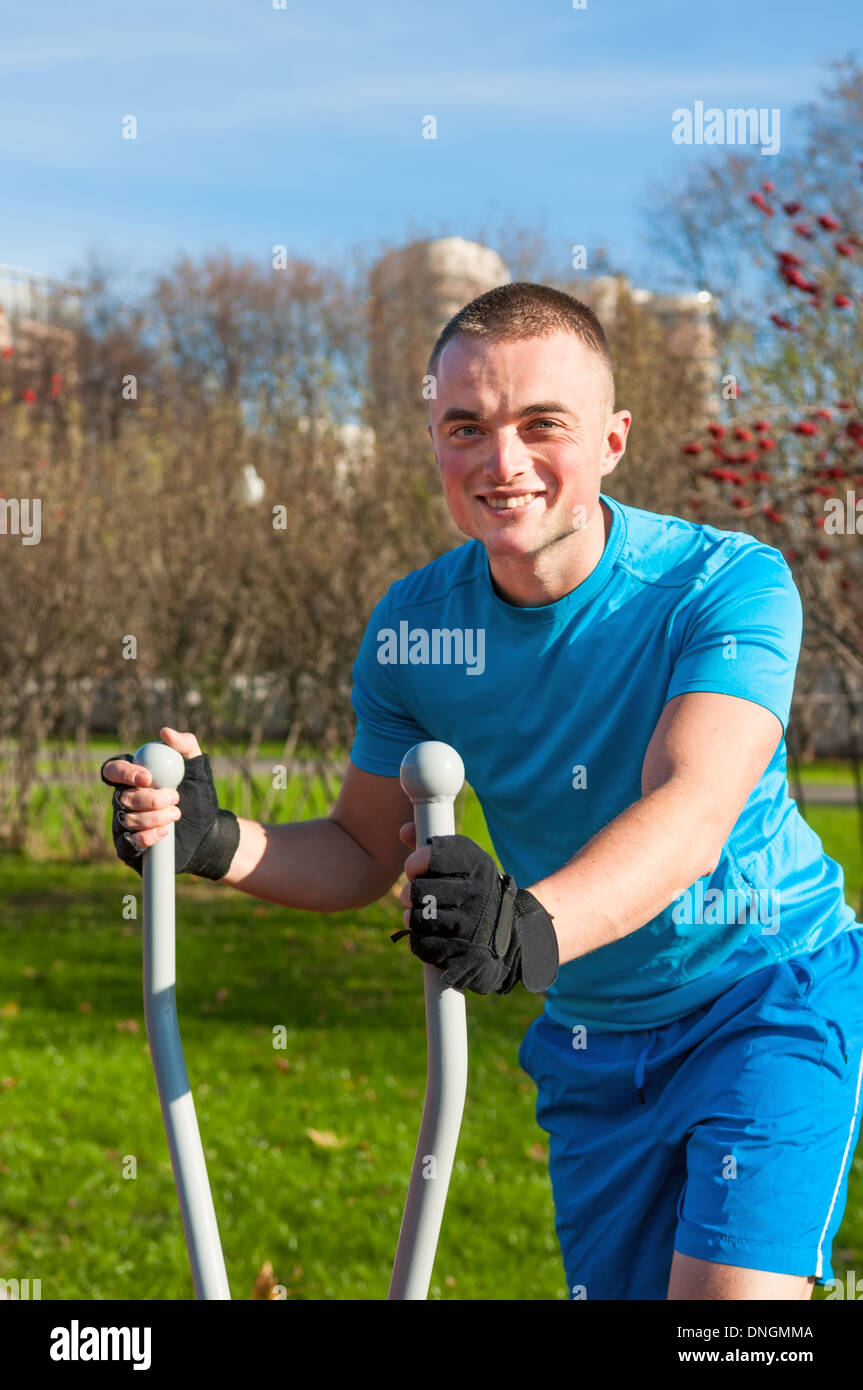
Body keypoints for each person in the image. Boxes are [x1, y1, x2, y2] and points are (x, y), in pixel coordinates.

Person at [102, 281, 863, 1301]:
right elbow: (364, 850)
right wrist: (213, 839)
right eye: (465, 427)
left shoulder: (723, 584)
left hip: (766, 992)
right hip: (592, 1037)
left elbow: (688, 811)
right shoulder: (414, 629)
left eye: (539, 423)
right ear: (433, 441)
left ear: (611, 439)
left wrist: (522, 927)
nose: (501, 462)